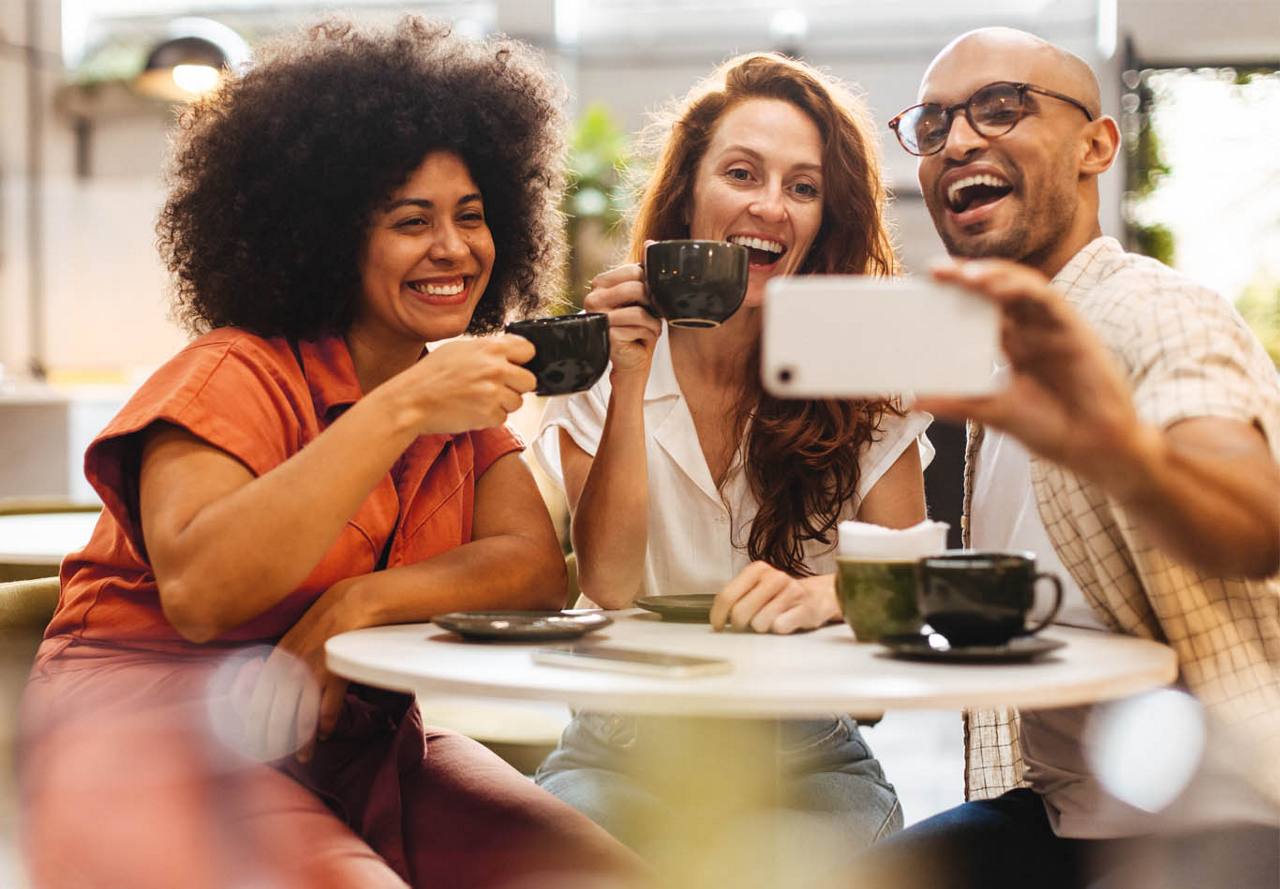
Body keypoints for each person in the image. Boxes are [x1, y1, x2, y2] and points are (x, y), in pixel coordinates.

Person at [19, 19, 639, 889]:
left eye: (472, 216)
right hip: (151, 746)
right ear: (328, 236)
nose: (454, 249)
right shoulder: (233, 374)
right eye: (410, 221)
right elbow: (202, 593)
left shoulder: (454, 400)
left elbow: (533, 568)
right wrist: (400, 408)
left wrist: (353, 605)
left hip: (358, 742)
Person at [861, 26, 1280, 889]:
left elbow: (1258, 523)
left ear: (1096, 145)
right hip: (1064, 812)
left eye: (1002, 106)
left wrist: (1115, 448)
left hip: (1225, 817)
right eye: (933, 125)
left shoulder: (1151, 314)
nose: (960, 140)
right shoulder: (1011, 356)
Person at [531, 52, 932, 851]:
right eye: (742, 174)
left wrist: (835, 596)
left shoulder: (864, 371)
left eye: (803, 187)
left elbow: (910, 583)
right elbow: (608, 582)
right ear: (688, 194)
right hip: (619, 748)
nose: (770, 207)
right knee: (571, 861)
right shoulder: (598, 363)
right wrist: (633, 368)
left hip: (805, 754)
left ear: (826, 221)